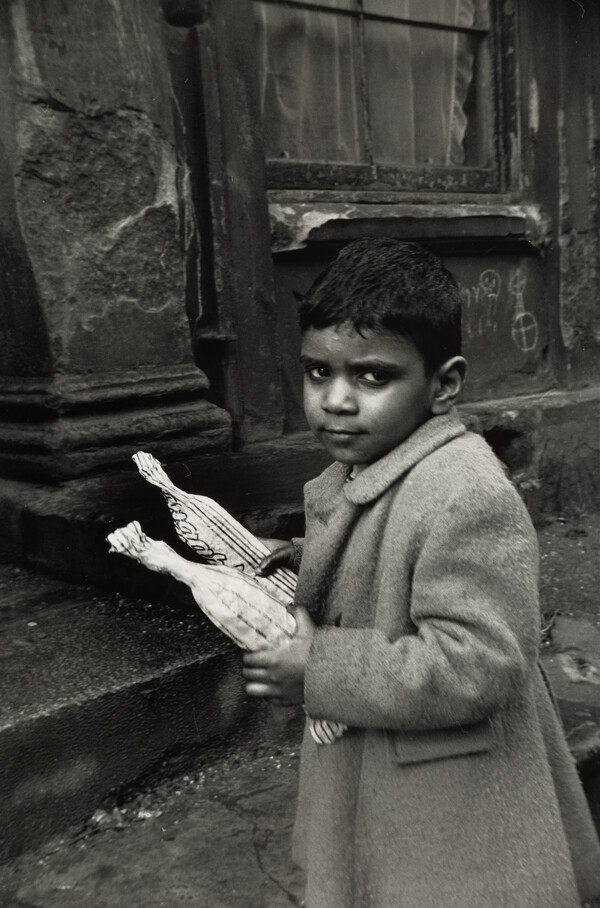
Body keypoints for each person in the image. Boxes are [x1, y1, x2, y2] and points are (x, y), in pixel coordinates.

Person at [241, 238, 600, 908]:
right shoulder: (372, 460)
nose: (336, 400)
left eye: (372, 377)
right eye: (317, 372)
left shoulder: (466, 494)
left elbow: (479, 662)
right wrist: (297, 556)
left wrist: (318, 670)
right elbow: (382, 553)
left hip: (450, 804)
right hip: (383, 770)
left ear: (444, 384)